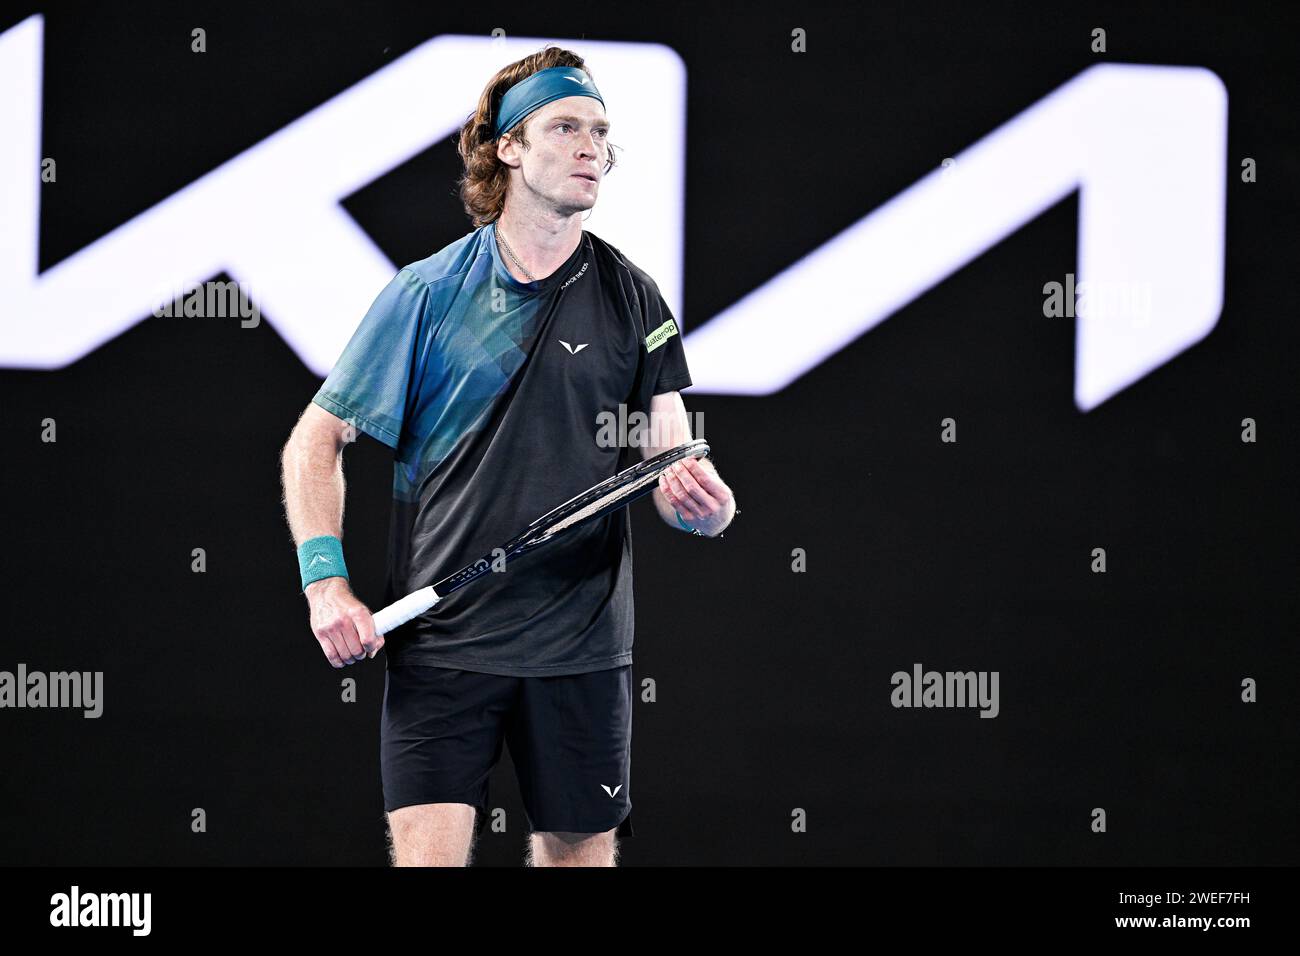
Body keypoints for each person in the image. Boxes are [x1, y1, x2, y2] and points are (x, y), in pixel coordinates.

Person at [279, 46, 736, 867]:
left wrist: (705, 506)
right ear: (507, 148)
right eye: (565, 126)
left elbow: (672, 465)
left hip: (583, 647)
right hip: (442, 643)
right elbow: (316, 440)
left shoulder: (636, 299)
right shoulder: (426, 293)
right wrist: (325, 583)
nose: (591, 145)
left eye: (600, 131)